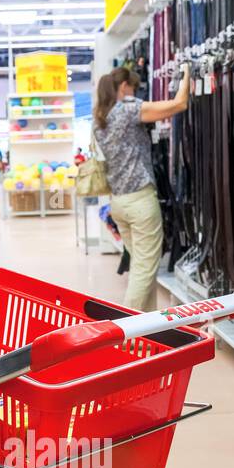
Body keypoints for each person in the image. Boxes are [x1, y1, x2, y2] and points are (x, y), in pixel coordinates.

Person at [92, 63, 190, 311]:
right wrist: (188, 72)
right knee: (143, 270)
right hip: (140, 202)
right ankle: (126, 332)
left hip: (119, 203)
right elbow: (178, 104)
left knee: (141, 266)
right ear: (124, 87)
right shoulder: (126, 109)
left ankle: (147, 329)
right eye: (134, 88)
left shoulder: (100, 119)